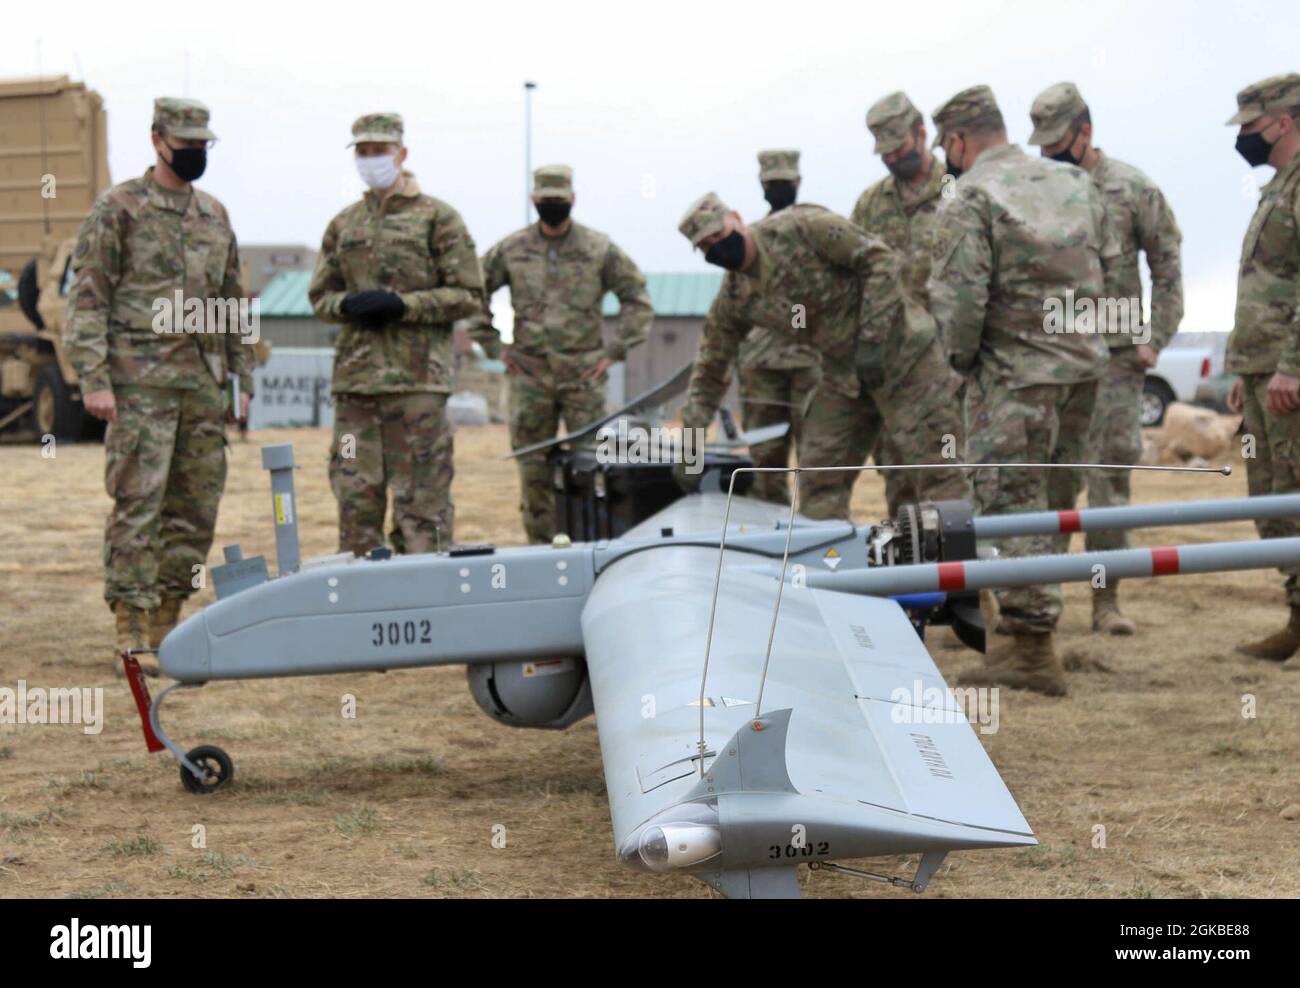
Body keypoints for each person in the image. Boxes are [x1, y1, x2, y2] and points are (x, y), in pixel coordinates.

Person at [928, 85, 1118, 696]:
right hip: (1082, 372)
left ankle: (1031, 650)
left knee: (1009, 505)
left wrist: (961, 363)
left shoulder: (970, 196)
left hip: (1014, 378)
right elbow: (1108, 268)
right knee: (1054, 502)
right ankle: (1029, 631)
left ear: (957, 141)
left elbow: (961, 301)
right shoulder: (1075, 183)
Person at [65, 97, 254, 676]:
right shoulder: (117, 209)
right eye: (185, 143)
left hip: (200, 387)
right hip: (137, 388)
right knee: (138, 506)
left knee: (195, 509)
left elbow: (230, 304)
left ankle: (172, 623)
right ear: (157, 140)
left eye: (203, 144)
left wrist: (240, 379)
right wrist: (95, 380)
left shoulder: (215, 215)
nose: (194, 153)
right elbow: (88, 297)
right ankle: (132, 626)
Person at [675, 191, 965, 520]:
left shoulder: (801, 228)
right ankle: (831, 563)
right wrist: (691, 447)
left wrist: (873, 337)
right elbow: (711, 369)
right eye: (705, 246)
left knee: (936, 469)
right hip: (844, 375)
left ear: (738, 218)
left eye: (718, 233)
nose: (716, 245)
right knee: (819, 477)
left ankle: (960, 563)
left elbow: (879, 260)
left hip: (906, 359)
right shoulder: (736, 296)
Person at [1028, 81, 1184, 636]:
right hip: (1054, 359)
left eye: (1056, 140)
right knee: (1052, 480)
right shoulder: (1037, 191)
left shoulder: (1133, 188)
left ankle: (1105, 600)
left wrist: (1155, 339)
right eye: (1040, 143)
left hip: (1117, 359)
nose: (1046, 152)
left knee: (1109, 481)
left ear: (1085, 132)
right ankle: (1039, 600)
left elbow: (1167, 267)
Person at [309, 113, 485, 556]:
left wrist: (406, 305)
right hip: (355, 393)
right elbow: (319, 296)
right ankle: (360, 608)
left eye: (379, 152)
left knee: (422, 506)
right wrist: (345, 305)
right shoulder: (343, 225)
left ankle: (424, 603)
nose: (371, 161)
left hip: (417, 389)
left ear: (401, 154)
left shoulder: (438, 219)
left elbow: (468, 294)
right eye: (363, 153)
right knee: (354, 499)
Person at [477, 165, 653, 543]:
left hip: (583, 378)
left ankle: (590, 544)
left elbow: (637, 299)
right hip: (529, 377)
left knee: (593, 466)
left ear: (573, 200)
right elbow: (472, 293)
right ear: (534, 201)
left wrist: (613, 350)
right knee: (533, 468)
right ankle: (541, 548)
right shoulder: (511, 249)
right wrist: (496, 346)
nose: (553, 206)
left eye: (559, 200)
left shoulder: (598, 248)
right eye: (546, 201)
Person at [851, 91, 968, 517]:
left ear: (922, 134)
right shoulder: (870, 205)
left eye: (898, 148)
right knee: (899, 480)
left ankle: (962, 582)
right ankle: (913, 582)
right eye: (883, 151)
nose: (891, 158)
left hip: (952, 368)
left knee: (950, 482)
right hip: (895, 373)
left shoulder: (961, 193)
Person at [1222, 73, 1300, 662]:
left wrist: (1292, 365)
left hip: (1288, 377)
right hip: (1260, 374)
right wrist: (1240, 369)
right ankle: (1298, 612)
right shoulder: (1278, 187)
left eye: (1250, 126)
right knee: (1267, 500)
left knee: (1293, 493)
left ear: (1284, 119)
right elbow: (1260, 289)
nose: (1244, 136)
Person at [736, 149, 820, 504]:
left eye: (783, 183)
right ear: (760, 186)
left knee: (818, 464)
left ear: (798, 183)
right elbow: (734, 306)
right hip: (762, 370)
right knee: (765, 467)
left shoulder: (819, 233)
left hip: (811, 365)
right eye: (771, 184)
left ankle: (820, 545)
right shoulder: (749, 240)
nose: (778, 189)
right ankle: (772, 542)